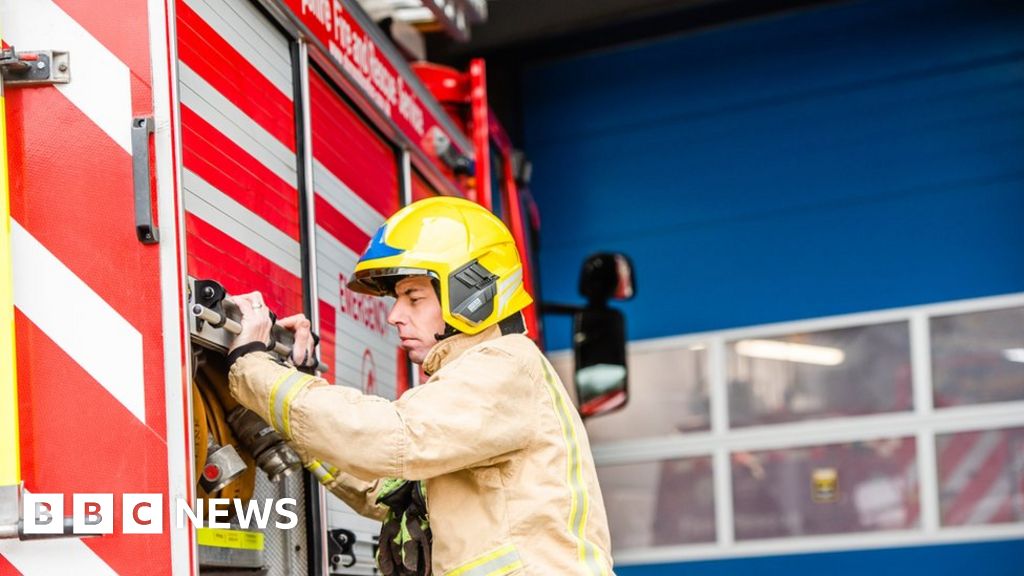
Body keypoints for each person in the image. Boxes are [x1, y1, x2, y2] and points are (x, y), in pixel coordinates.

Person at [225, 197, 615, 576]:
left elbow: (390, 441)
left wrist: (253, 365)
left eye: (413, 297)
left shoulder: (505, 365)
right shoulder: (485, 381)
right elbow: (388, 490)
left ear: (473, 294)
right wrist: (299, 386)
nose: (395, 315)